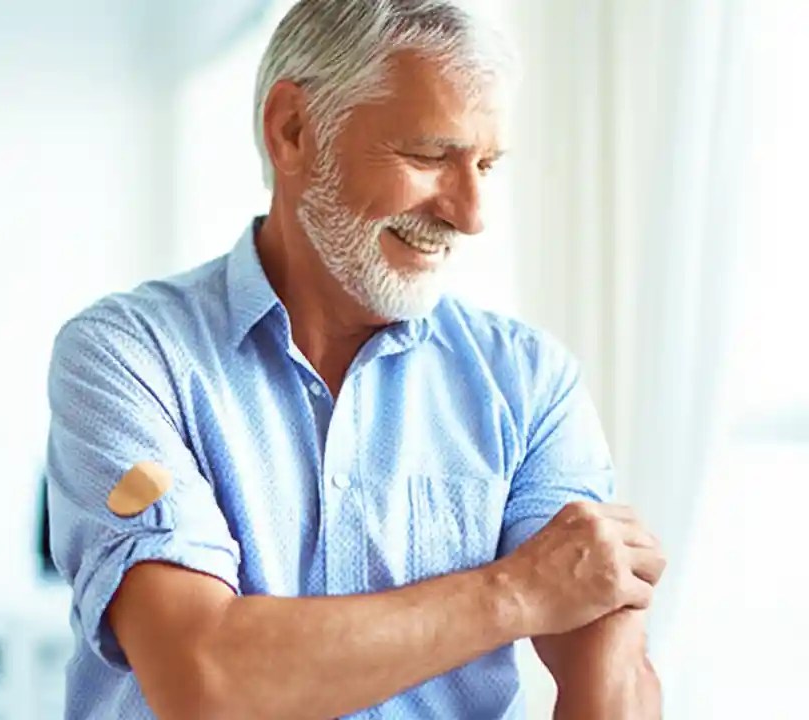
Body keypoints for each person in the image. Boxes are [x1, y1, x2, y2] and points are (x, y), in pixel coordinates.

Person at [44, 1, 666, 717]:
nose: (471, 214)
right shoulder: (127, 357)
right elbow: (202, 676)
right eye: (431, 156)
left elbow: (608, 664)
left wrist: (579, 609)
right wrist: (517, 591)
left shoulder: (529, 382)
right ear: (293, 131)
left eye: (487, 164)